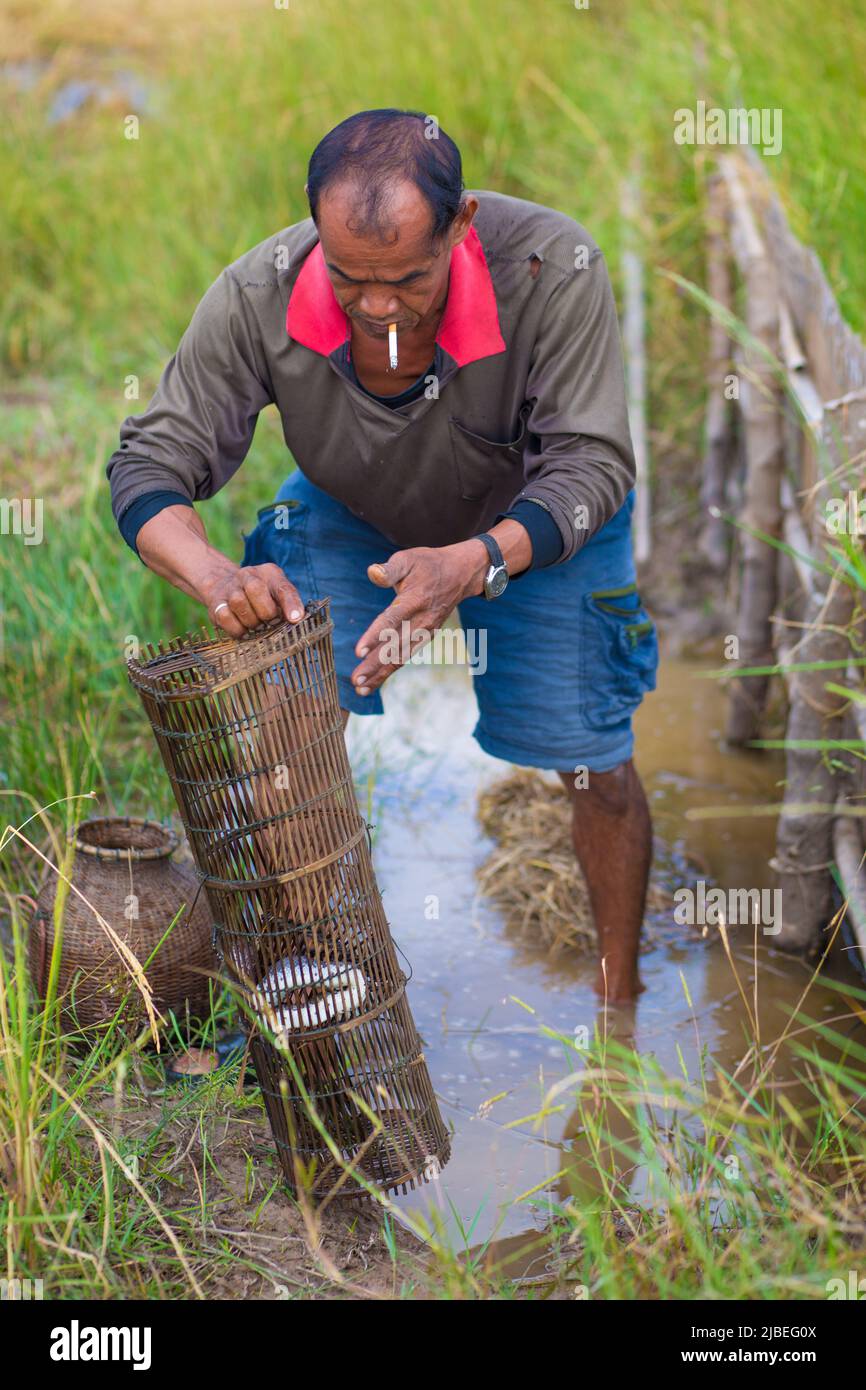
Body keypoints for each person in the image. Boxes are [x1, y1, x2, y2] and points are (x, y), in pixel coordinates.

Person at [107, 108, 658, 1003]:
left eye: (408, 277)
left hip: (540, 524)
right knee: (286, 719)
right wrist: (217, 578)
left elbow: (592, 464)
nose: (378, 306)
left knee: (590, 756)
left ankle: (618, 1003)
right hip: (352, 512)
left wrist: (472, 563)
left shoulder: (554, 268)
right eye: (350, 278)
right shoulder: (260, 291)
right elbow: (147, 465)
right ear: (316, 236)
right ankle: (329, 983)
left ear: (462, 224)